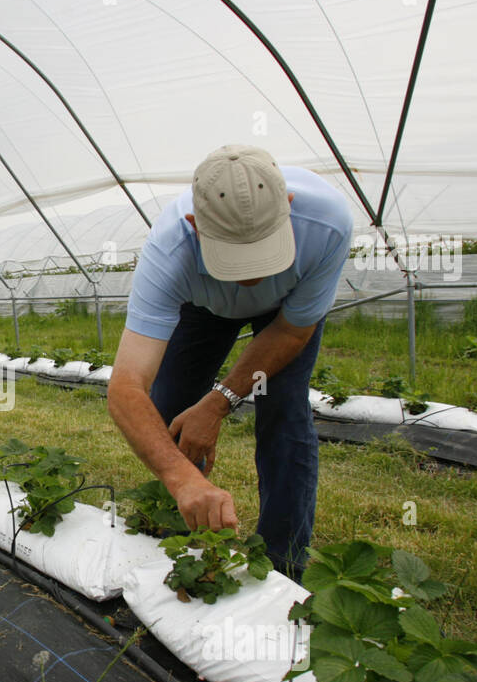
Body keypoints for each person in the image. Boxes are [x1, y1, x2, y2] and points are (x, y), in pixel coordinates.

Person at [106, 144, 353, 581]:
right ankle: (182, 542)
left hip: (284, 314)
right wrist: (183, 478)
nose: (251, 274)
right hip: (203, 306)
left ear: (288, 209)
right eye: (235, 257)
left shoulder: (327, 225)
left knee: (284, 411)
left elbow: (294, 331)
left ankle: (283, 564)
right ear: (195, 227)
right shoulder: (169, 251)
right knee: (168, 407)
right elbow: (127, 388)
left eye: (263, 251)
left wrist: (219, 403)